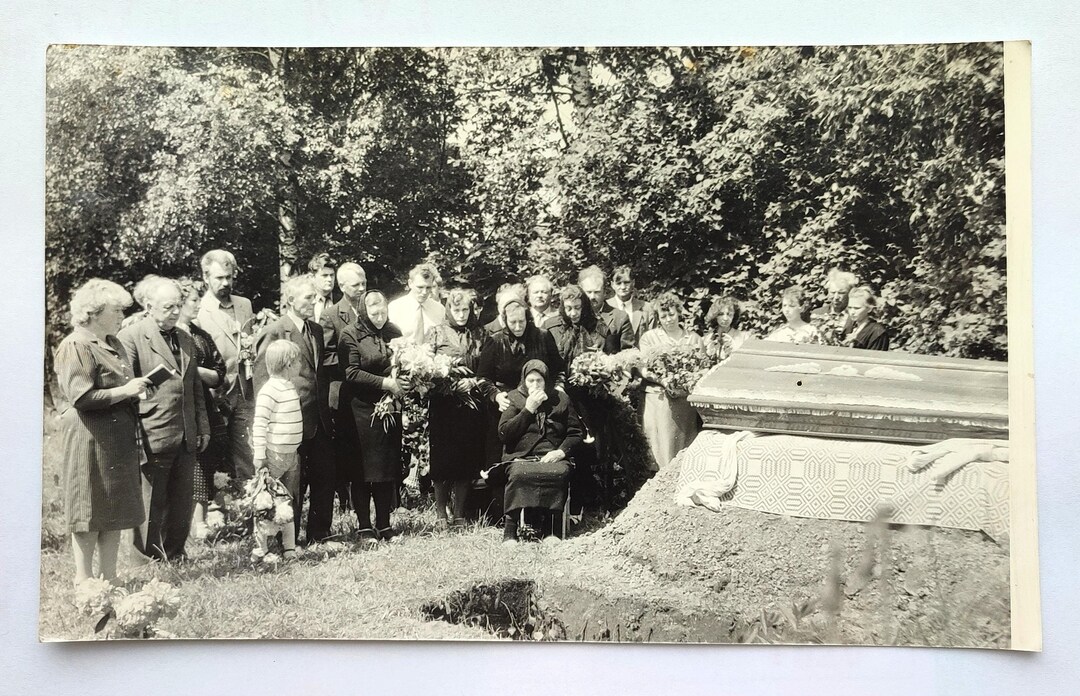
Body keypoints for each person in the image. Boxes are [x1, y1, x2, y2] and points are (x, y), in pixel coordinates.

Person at [54, 279, 151, 584]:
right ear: (94, 312)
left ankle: (110, 577)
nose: (123, 314)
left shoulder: (114, 342)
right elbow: (80, 397)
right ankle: (84, 582)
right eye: (117, 309)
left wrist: (136, 390)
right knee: (89, 510)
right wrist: (125, 391)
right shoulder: (75, 345)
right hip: (89, 436)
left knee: (114, 507)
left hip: (116, 438)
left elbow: (120, 386)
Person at [118, 277, 210, 562]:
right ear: (149, 306)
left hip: (186, 432)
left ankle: (175, 553)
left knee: (182, 499)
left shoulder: (184, 337)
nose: (175, 311)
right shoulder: (131, 337)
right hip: (151, 431)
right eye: (168, 306)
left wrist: (202, 426)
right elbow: (126, 388)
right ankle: (145, 561)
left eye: (178, 306)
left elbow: (194, 386)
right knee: (150, 501)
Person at [253, 275, 337, 545]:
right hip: (288, 423)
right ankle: (287, 540)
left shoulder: (315, 328)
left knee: (324, 476)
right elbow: (261, 381)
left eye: (315, 298)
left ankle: (320, 534)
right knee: (292, 485)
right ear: (290, 300)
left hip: (319, 420)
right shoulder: (275, 330)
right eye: (308, 298)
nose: (314, 302)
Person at [338, 290, 407, 545]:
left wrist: (405, 376)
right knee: (362, 470)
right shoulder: (350, 334)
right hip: (359, 410)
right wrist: (385, 383)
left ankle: (384, 524)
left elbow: (402, 363)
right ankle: (365, 526)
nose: (379, 318)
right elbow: (351, 373)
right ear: (363, 312)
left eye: (383, 313)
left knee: (385, 468)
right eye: (374, 313)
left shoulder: (393, 332)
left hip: (387, 409)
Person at [495, 359, 584, 543]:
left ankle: (552, 531)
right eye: (531, 381)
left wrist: (560, 452)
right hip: (521, 457)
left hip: (553, 456)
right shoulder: (514, 397)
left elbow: (576, 433)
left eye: (539, 381)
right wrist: (528, 409)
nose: (535, 385)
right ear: (523, 381)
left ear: (546, 381)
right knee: (519, 474)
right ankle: (510, 533)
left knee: (559, 472)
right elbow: (504, 434)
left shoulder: (560, 398)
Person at [425, 288, 489, 531]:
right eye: (456, 309)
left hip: (471, 403)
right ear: (448, 309)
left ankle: (460, 512)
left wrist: (472, 382)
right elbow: (425, 368)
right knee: (442, 460)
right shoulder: (436, 332)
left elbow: (486, 367)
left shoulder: (481, 333)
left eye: (465, 309)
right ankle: (442, 512)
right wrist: (445, 382)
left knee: (465, 459)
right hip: (444, 404)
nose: (461, 314)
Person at [477, 298, 566, 469]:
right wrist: (495, 395)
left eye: (521, 321)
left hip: (541, 401)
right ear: (505, 320)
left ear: (528, 318)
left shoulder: (543, 336)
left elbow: (559, 370)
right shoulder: (495, 341)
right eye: (513, 322)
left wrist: (557, 390)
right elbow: (482, 378)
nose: (517, 327)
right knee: (499, 455)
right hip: (507, 404)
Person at [196, 249, 256, 481]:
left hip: (244, 393)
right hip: (215, 397)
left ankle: (248, 510)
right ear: (206, 277)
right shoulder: (199, 312)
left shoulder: (245, 305)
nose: (225, 283)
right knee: (216, 461)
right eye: (219, 278)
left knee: (246, 457)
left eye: (229, 277)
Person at [176, 277, 227, 540]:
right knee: (191, 463)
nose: (197, 304)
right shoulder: (173, 336)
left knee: (205, 460)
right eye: (193, 300)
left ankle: (203, 520)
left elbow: (220, 372)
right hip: (179, 406)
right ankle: (194, 523)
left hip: (204, 404)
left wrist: (195, 371)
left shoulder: (200, 334)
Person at [251, 339, 305, 562]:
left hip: (291, 455)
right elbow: (260, 423)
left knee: (287, 500)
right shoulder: (269, 390)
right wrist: (259, 455)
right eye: (298, 361)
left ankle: (289, 547)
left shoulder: (289, 386)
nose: (301, 364)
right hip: (273, 455)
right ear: (288, 364)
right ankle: (261, 548)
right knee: (266, 502)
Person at [320, 261, 368, 510]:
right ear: (342, 286)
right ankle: (345, 499)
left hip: (370, 390)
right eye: (356, 285)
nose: (361, 288)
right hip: (344, 390)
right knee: (346, 449)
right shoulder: (330, 315)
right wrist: (357, 359)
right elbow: (326, 356)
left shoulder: (372, 309)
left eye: (364, 283)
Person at [639, 292, 706, 470]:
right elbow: (643, 369)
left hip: (685, 402)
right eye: (663, 316)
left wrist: (686, 382)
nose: (668, 319)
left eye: (671, 314)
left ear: (679, 312)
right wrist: (664, 381)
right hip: (659, 399)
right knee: (661, 450)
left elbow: (703, 369)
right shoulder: (650, 338)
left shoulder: (693, 338)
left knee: (683, 451)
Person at [387, 262, 446, 343]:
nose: (425, 292)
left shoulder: (439, 309)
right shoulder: (395, 308)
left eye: (428, 287)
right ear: (410, 283)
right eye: (420, 287)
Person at [578, 265, 634, 351]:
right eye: (588, 292)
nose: (592, 297)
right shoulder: (574, 317)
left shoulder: (620, 318)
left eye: (597, 292)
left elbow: (628, 353)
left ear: (604, 292)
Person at [607, 265, 658, 348]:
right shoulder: (606, 307)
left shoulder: (647, 309)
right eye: (618, 283)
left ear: (633, 283)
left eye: (626, 282)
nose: (623, 287)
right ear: (612, 285)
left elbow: (653, 340)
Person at [812, 269, 859, 345]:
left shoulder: (855, 316)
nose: (836, 297)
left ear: (849, 293)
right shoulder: (817, 313)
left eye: (841, 293)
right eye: (833, 292)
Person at [842, 286, 890, 351]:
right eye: (850, 308)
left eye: (857, 308)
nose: (852, 312)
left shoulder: (877, 332)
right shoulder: (850, 326)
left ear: (869, 309)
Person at [703, 295, 751, 360]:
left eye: (729, 314)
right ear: (715, 315)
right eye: (721, 314)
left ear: (734, 315)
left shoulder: (743, 337)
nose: (725, 318)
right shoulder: (707, 338)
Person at [308, 252, 338, 325]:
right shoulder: (305, 301)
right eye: (324, 275)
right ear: (312, 278)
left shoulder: (341, 300)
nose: (329, 279)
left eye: (332, 275)